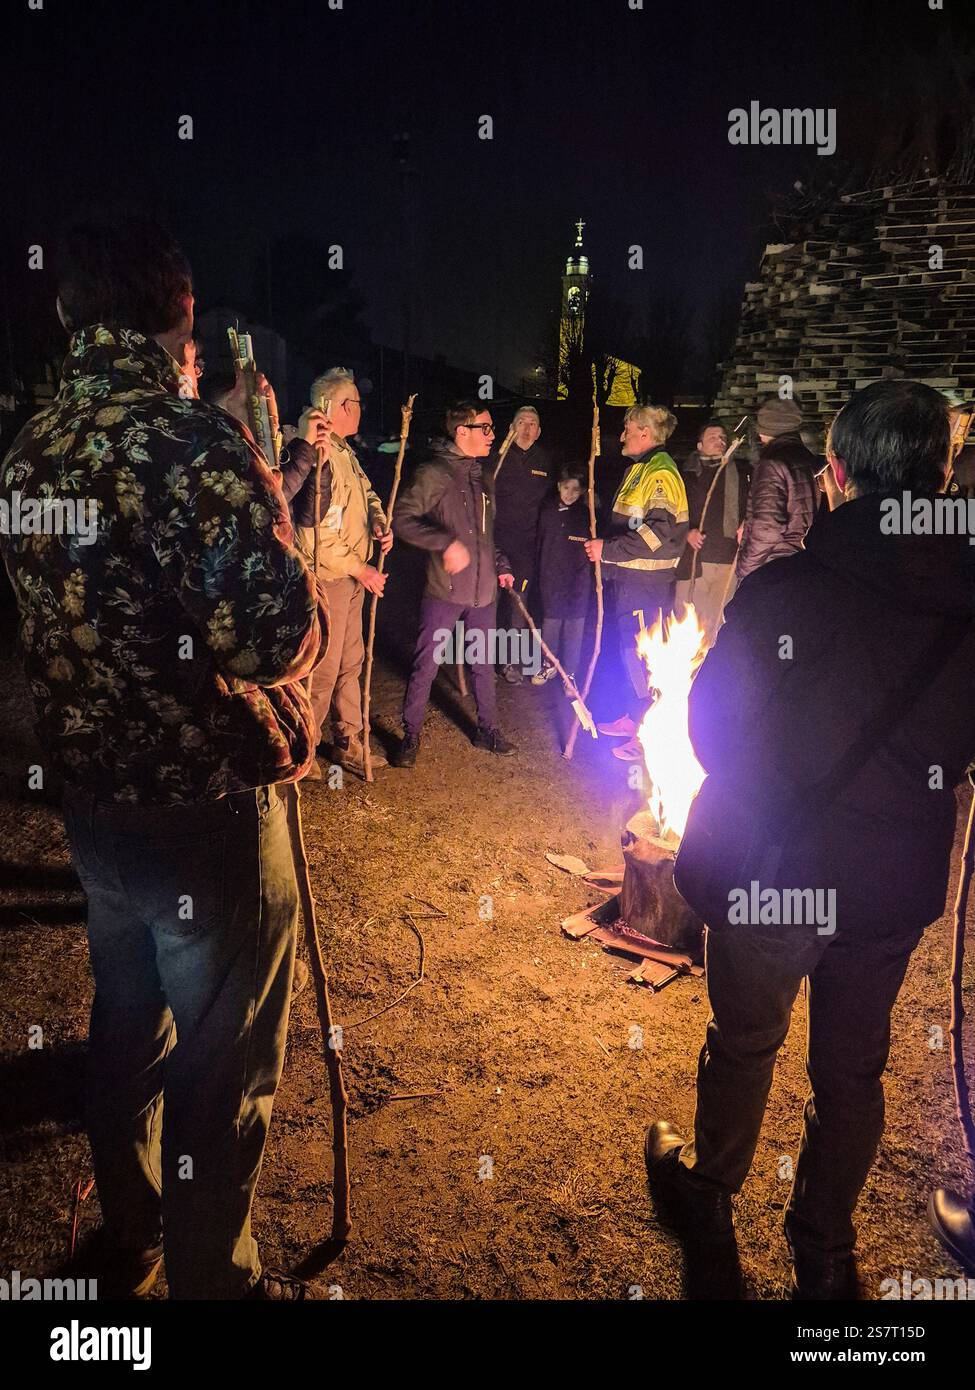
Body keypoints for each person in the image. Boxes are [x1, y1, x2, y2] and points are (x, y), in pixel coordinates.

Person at [0, 215, 324, 1300]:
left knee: (126, 1022)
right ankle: (210, 1280)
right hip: (201, 811)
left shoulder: (29, 446)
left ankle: (131, 1223)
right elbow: (272, 636)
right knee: (218, 1063)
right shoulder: (183, 443)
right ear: (178, 310)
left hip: (96, 810)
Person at [645, 379, 975, 1300]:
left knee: (744, 1041)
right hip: (884, 883)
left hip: (770, 867)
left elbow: (707, 734)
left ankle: (709, 1197)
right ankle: (824, 1250)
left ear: (834, 476)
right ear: (938, 477)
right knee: (851, 1068)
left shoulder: (784, 592)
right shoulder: (965, 606)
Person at [391, 400, 516, 766]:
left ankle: (486, 730)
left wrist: (501, 564)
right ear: (462, 432)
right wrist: (444, 542)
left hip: (483, 591)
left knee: (483, 661)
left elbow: (485, 537)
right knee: (426, 663)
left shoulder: (481, 476)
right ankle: (410, 736)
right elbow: (402, 518)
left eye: (492, 428)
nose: (492, 435)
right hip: (444, 589)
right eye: (486, 428)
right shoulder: (435, 473)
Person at [296, 368, 392, 779]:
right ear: (332, 409)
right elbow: (313, 530)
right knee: (324, 666)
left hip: (351, 576)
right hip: (331, 577)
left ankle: (347, 738)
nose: (359, 410)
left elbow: (367, 492)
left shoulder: (345, 451)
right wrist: (361, 568)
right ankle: (305, 746)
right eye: (353, 403)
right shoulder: (318, 455)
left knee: (351, 661)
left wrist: (378, 520)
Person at [584, 405, 688, 762]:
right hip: (631, 581)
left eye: (627, 428)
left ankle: (650, 739)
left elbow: (658, 531)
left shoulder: (660, 473)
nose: (622, 434)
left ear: (645, 433)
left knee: (644, 659)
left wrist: (607, 550)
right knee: (631, 654)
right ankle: (634, 719)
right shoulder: (641, 468)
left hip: (646, 584)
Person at [493, 405, 554, 683]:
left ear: (540, 431)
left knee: (519, 605)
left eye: (533, 423)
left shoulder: (545, 460)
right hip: (493, 542)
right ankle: (482, 659)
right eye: (522, 422)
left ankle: (509, 662)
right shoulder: (496, 458)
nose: (527, 428)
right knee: (490, 604)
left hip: (526, 547)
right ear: (512, 427)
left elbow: (552, 502)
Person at [675, 421, 747, 646]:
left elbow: (752, 505)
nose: (720, 441)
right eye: (713, 437)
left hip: (727, 561)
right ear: (699, 445)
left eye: (723, 437)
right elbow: (671, 513)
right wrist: (686, 533)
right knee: (688, 623)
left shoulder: (739, 473)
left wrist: (747, 523)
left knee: (718, 625)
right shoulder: (686, 476)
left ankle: (712, 674)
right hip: (695, 561)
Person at [736, 397, 819, 579]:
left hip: (771, 568)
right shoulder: (806, 459)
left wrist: (745, 568)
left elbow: (767, 528)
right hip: (800, 563)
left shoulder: (771, 464)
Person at [532, 467, 591, 686]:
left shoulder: (587, 514)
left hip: (578, 579)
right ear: (559, 486)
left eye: (576, 489)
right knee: (552, 624)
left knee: (575, 627)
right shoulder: (547, 510)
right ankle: (549, 666)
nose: (570, 493)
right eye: (567, 487)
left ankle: (571, 674)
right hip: (552, 577)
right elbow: (539, 542)